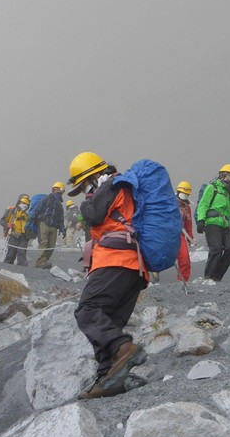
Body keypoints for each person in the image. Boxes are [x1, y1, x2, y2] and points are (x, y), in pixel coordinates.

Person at [68, 151, 148, 399]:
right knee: (109, 321)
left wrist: (90, 198)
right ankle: (109, 378)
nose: (84, 193)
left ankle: (125, 349)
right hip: (132, 267)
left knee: (88, 310)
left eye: (82, 186)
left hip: (116, 260)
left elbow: (93, 215)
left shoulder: (112, 185)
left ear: (90, 177)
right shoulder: (117, 187)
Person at [196, 164, 230, 283]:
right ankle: (209, 276)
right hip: (212, 223)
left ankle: (216, 276)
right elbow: (203, 204)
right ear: (224, 174)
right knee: (216, 249)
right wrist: (200, 220)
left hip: (225, 225)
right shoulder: (212, 188)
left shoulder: (229, 193)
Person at [35, 182, 67, 269]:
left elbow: (61, 218)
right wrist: (31, 222)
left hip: (54, 227)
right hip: (44, 223)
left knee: (51, 246)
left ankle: (44, 261)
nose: (58, 191)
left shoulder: (59, 205)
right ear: (53, 189)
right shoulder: (46, 199)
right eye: (57, 189)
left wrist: (62, 229)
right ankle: (40, 262)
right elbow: (37, 210)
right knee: (43, 242)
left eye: (59, 189)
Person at [3, 195, 32, 266]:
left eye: (26, 204)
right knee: (11, 254)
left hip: (24, 237)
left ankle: (22, 269)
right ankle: (6, 267)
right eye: (22, 203)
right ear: (18, 203)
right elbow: (2, 221)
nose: (23, 205)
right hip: (13, 235)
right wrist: (7, 224)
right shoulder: (12, 212)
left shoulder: (27, 216)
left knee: (22, 254)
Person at [175, 181, 195, 283]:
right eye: (183, 193)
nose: (184, 195)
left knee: (185, 259)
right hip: (166, 234)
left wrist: (190, 239)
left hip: (180, 235)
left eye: (186, 194)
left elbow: (188, 225)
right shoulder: (168, 204)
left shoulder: (187, 208)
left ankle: (182, 281)